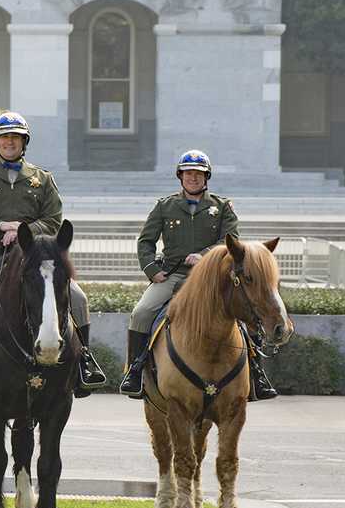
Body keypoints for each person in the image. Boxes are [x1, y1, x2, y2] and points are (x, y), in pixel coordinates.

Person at [0, 112, 107, 395]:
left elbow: (53, 219)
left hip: (32, 257)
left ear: (24, 142)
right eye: (4, 138)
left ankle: (83, 361)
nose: (9, 143)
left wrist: (24, 230)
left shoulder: (42, 178)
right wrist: (1, 227)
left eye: (15, 138)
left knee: (78, 298)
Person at [119, 149, 278, 400]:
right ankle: (135, 372)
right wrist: (153, 270)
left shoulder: (222, 207)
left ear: (207, 177)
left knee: (242, 314)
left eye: (199, 174)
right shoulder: (165, 206)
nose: (193, 178)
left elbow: (231, 240)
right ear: (180, 176)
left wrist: (205, 255)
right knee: (141, 313)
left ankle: (257, 374)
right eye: (188, 173)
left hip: (212, 278)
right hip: (172, 275)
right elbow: (145, 241)